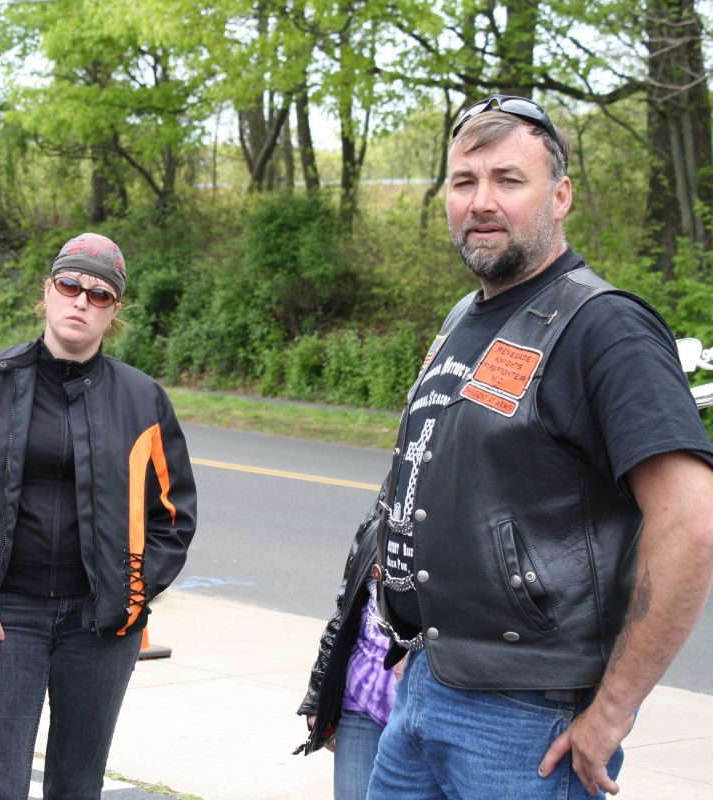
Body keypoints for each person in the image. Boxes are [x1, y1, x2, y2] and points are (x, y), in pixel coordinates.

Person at [362, 95, 713, 799]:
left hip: (530, 721)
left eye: (508, 180)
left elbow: (691, 522)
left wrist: (612, 711)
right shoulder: (466, 316)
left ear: (560, 196)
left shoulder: (605, 328)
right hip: (426, 686)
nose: (481, 201)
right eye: (464, 182)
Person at [0, 232, 198, 800]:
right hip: (2, 616)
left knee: (77, 786)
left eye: (100, 294)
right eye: (70, 285)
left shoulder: (143, 400)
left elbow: (174, 514)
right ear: (47, 291)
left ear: (114, 311)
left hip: (101, 625)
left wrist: (134, 593)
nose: (81, 301)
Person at [293, 501, 398, 800]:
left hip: (427, 710)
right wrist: (319, 697)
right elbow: (346, 607)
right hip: (361, 703)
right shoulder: (388, 501)